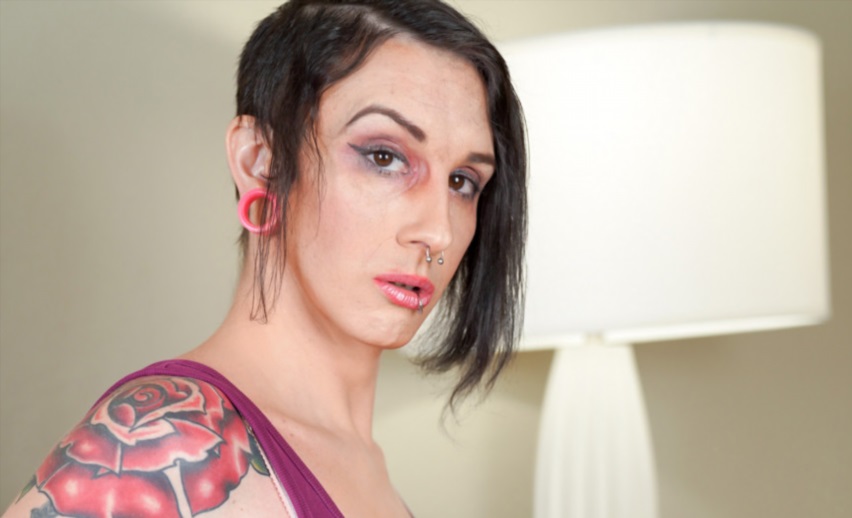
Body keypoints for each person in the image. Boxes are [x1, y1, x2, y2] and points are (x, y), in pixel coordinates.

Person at [2, 0, 526, 516]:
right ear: (259, 163)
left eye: (463, 182)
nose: (437, 231)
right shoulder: (163, 445)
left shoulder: (366, 462)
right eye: (384, 157)